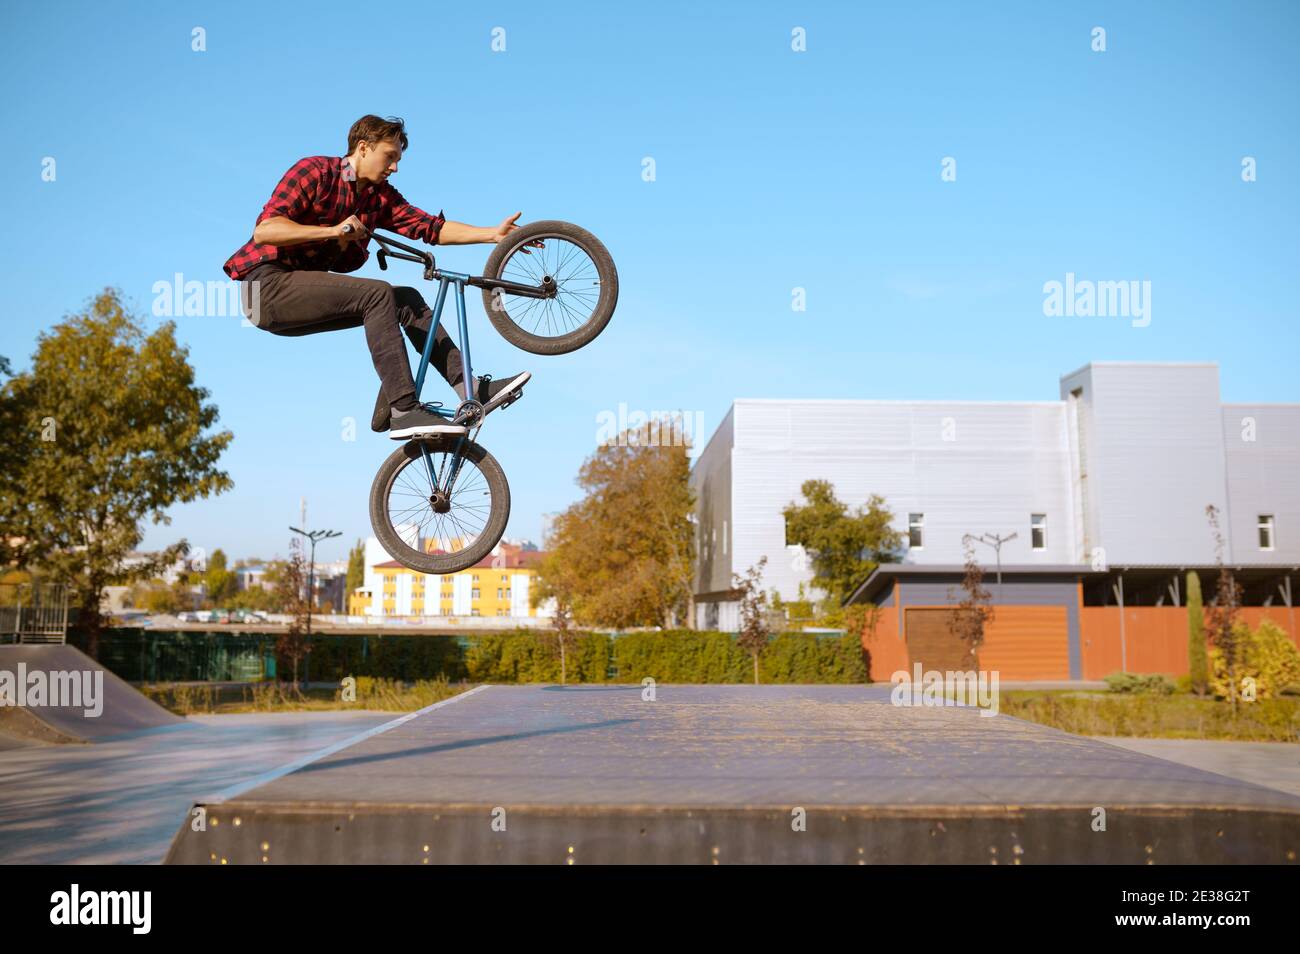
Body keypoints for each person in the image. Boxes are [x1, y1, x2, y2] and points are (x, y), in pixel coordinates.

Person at [224, 114, 532, 439]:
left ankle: (470, 389)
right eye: (390, 157)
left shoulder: (379, 198)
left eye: (398, 160)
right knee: (378, 293)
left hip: (297, 290)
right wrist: (332, 230)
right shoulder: (316, 171)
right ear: (363, 148)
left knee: (405, 299)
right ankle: (403, 408)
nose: (395, 167)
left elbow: (430, 228)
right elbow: (265, 230)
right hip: (265, 288)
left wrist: (492, 235)